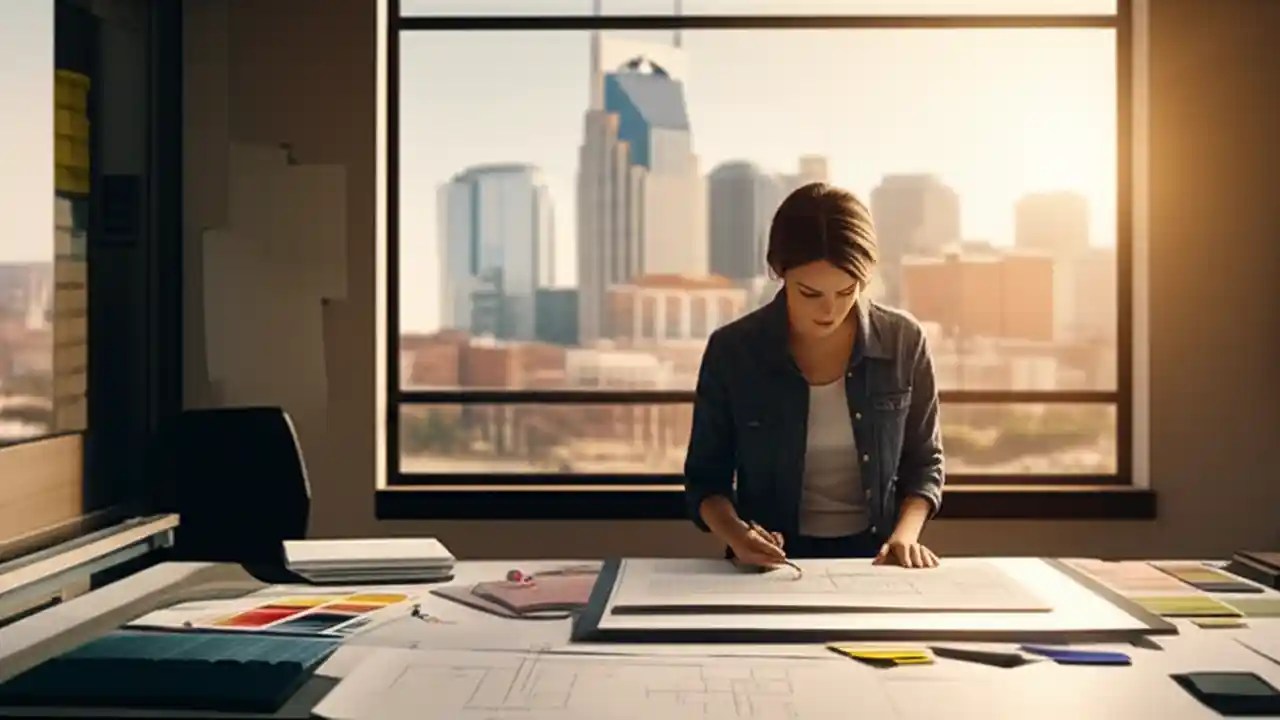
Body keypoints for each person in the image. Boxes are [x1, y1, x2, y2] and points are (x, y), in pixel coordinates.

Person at [684, 182, 944, 569]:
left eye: (846, 291)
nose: (829, 310)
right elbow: (705, 479)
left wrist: (902, 539)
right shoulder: (733, 351)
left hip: (876, 561)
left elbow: (925, 464)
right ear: (779, 272)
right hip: (769, 565)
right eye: (810, 293)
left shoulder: (904, 341)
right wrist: (739, 536)